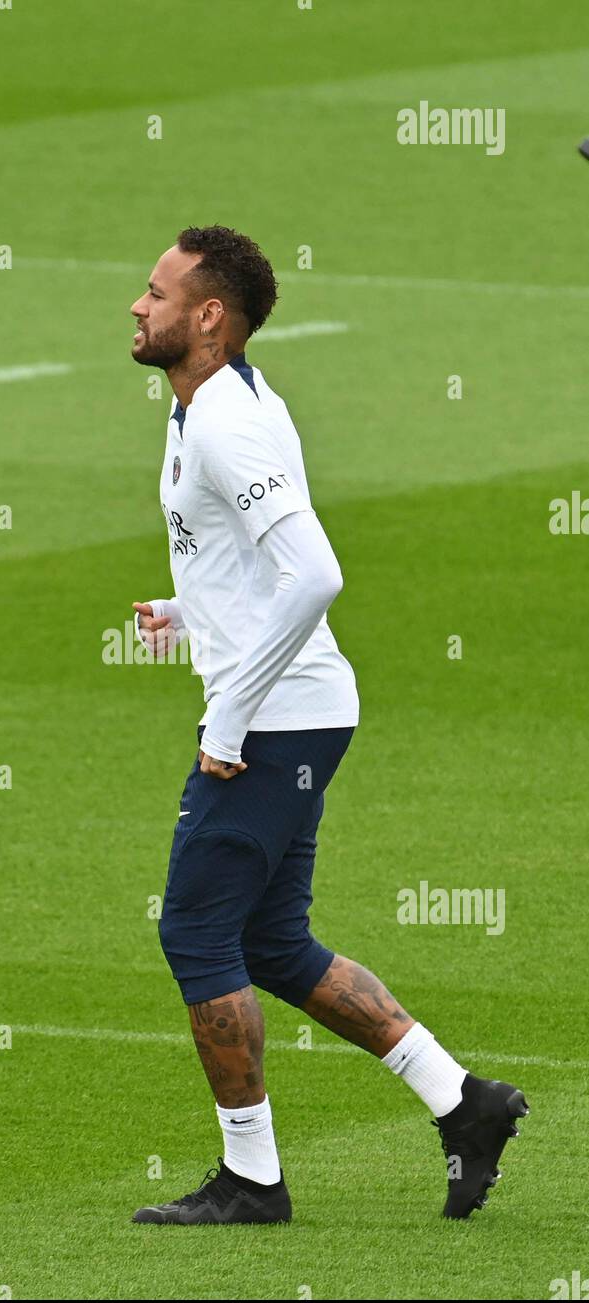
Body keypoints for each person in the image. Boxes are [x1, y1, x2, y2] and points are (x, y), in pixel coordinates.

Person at [127, 225, 528, 1225]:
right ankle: (463, 1100)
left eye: (156, 291)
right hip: (296, 712)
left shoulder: (227, 422)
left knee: (195, 931)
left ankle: (253, 1180)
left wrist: (228, 715)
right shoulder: (206, 407)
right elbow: (251, 558)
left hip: (277, 723)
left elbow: (315, 574)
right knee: (270, 939)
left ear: (208, 316)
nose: (137, 306)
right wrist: (189, 614)